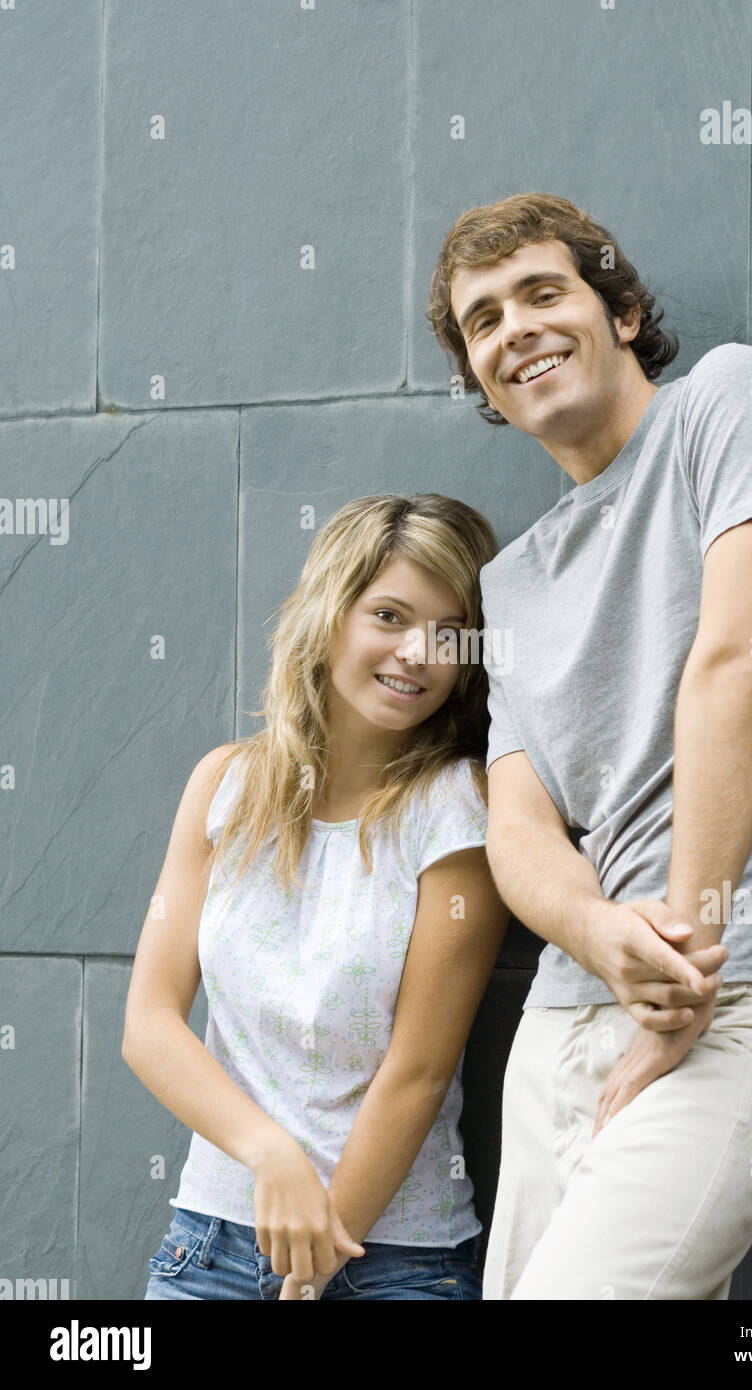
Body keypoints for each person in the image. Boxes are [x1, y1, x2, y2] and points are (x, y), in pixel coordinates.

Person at [425, 192, 752, 1300]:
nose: (515, 330)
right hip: (568, 1014)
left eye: (543, 293)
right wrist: (595, 929)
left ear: (623, 309)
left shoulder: (730, 400)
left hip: (747, 984)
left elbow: (740, 663)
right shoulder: (513, 579)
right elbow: (521, 822)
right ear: (479, 382)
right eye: (483, 321)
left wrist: (680, 979)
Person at [123, 493, 509, 1301]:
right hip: (212, 1247)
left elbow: (419, 1069)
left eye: (448, 633)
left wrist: (314, 1266)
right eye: (390, 615)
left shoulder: (458, 807)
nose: (416, 654)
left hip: (393, 1259)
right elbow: (150, 1023)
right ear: (330, 614)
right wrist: (268, 1152)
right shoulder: (224, 786)